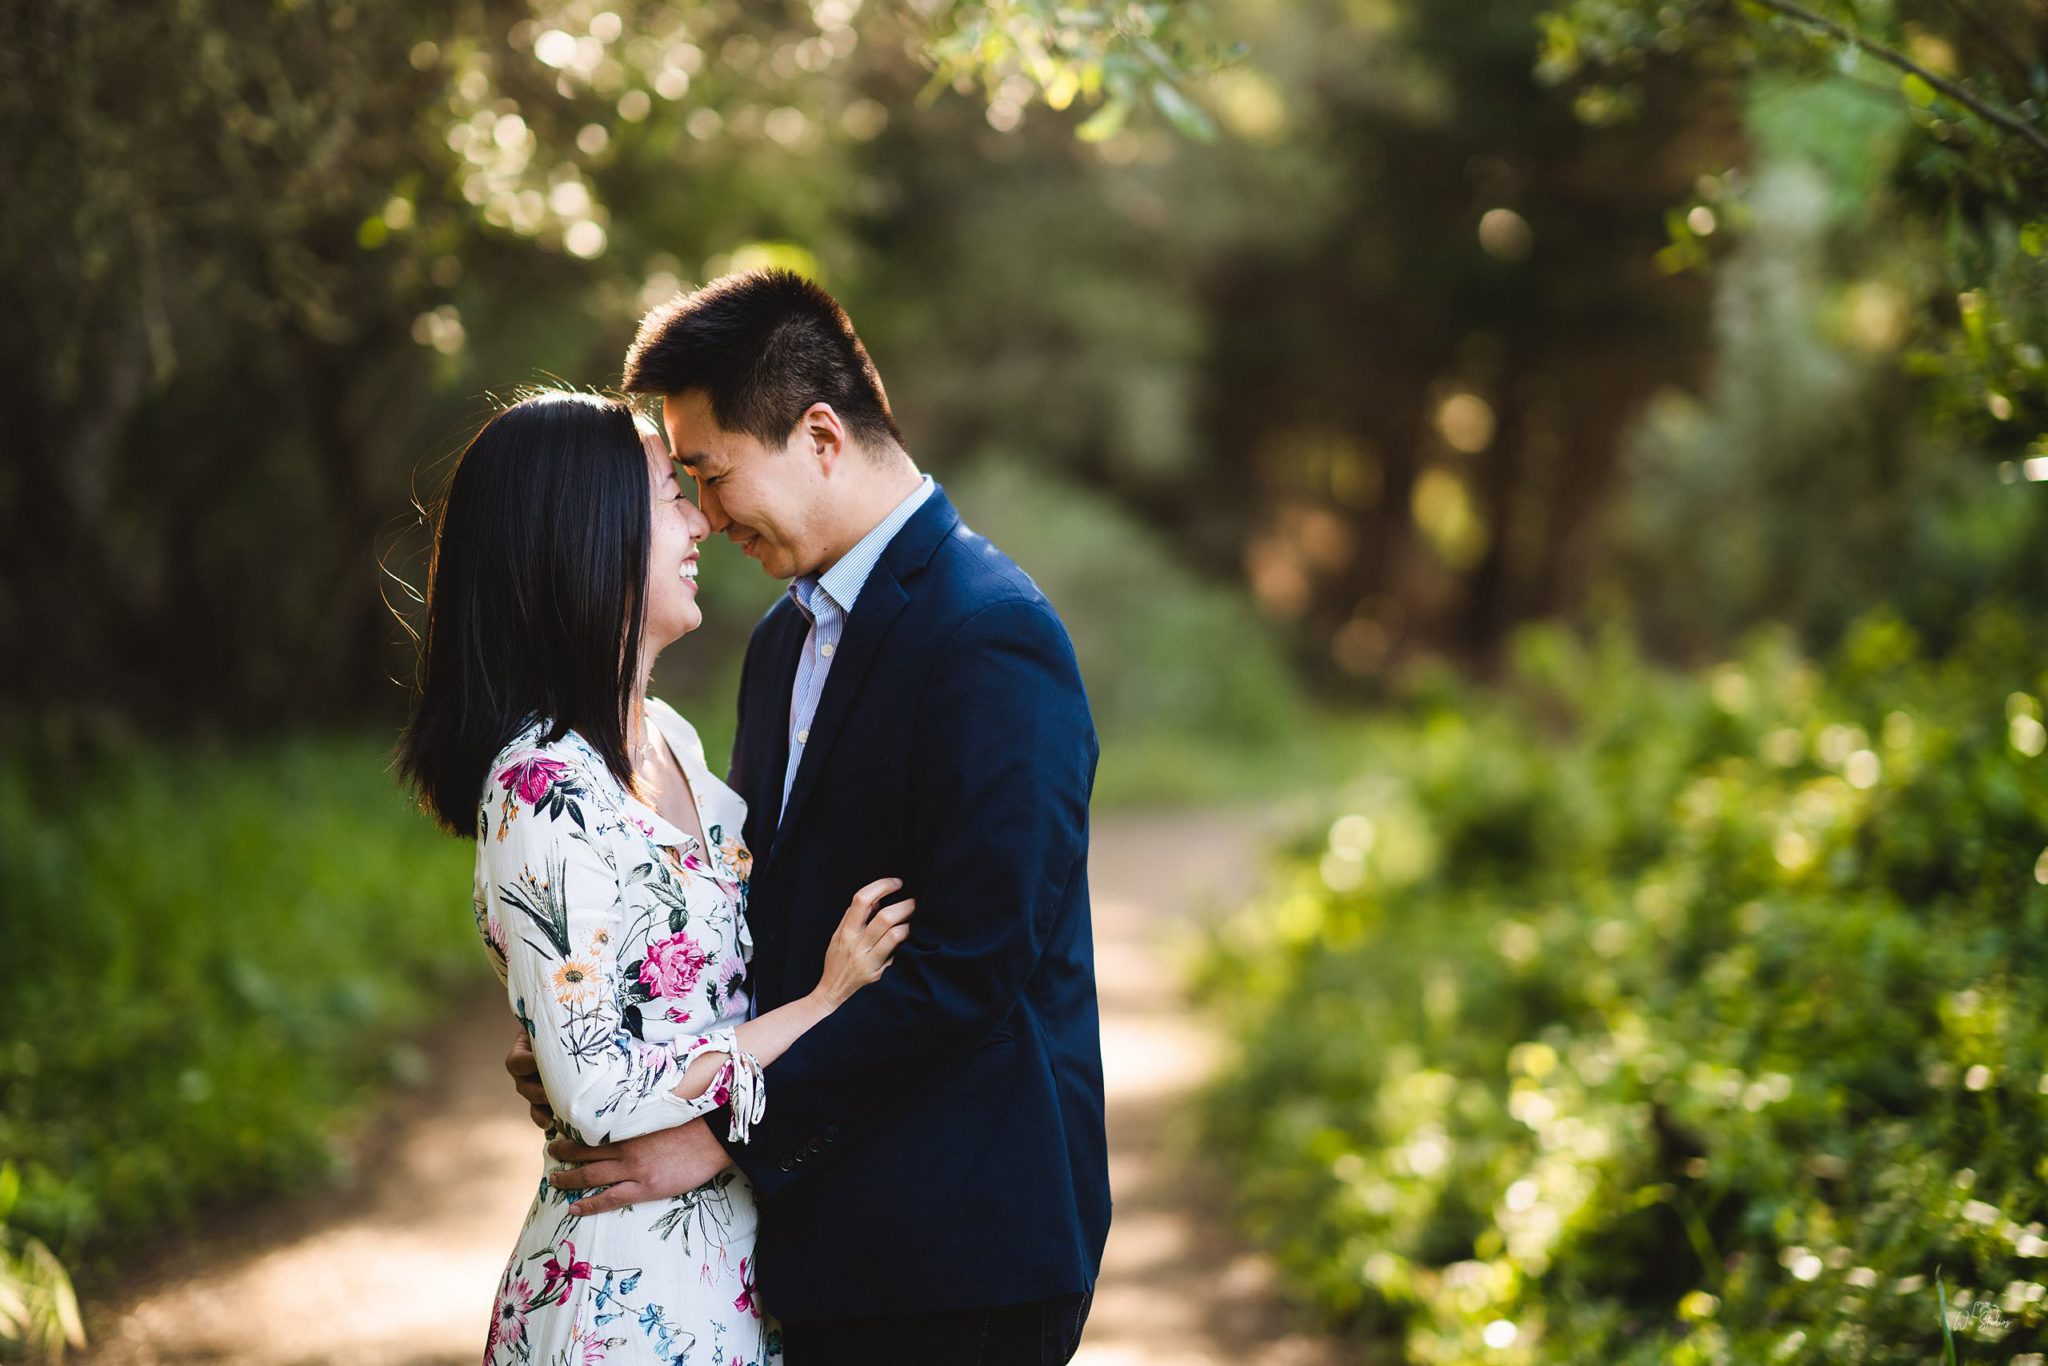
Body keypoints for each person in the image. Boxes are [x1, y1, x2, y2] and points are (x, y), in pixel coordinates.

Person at [508, 270, 1112, 1364]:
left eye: (711, 473)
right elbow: (762, 912)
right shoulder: (783, 641)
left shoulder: (990, 635)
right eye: (682, 483)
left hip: (957, 1251)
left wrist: (723, 1137)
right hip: (823, 1242)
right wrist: (616, 1040)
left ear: (820, 435)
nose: (699, 511)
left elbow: (968, 969)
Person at [396, 389, 915, 1364]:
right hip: (623, 1298)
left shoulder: (666, 741)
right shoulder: (539, 784)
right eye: (664, 494)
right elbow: (599, 1091)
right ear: (581, 533)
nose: (700, 520)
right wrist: (824, 1003)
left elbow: (645, 1013)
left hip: (727, 1269)